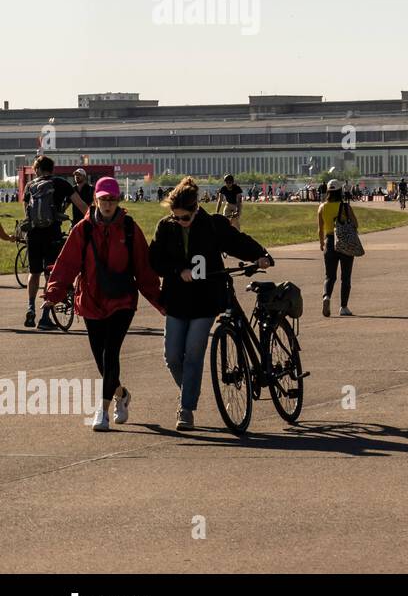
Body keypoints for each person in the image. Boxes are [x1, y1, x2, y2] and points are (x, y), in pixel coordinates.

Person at [149, 176, 271, 430]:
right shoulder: (165, 227)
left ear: (196, 210)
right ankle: (189, 392)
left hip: (205, 299)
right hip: (176, 299)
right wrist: (177, 270)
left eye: (184, 217)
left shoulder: (213, 225)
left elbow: (237, 241)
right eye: (176, 217)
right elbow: (155, 261)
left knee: (193, 353)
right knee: (172, 357)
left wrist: (260, 254)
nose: (179, 221)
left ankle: (186, 409)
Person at [44, 177, 163, 431]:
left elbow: (143, 270)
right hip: (91, 301)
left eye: (112, 199)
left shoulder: (130, 229)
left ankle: (103, 409)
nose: (108, 204)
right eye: (103, 199)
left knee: (111, 353)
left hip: (122, 300)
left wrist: (161, 302)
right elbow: (67, 264)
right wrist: (53, 294)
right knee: (101, 359)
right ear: (95, 200)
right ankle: (121, 393)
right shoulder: (83, 229)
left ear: (118, 200)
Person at [21, 156, 88, 329]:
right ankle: (45, 316)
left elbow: (27, 214)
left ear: (37, 169)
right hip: (52, 235)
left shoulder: (30, 186)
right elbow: (81, 205)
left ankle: (30, 308)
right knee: (51, 274)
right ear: (52, 168)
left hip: (34, 236)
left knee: (34, 272)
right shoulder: (60, 183)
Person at [318, 179, 358, 317]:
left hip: (329, 241)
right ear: (340, 191)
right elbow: (355, 223)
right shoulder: (345, 207)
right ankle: (343, 307)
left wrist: (321, 244)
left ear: (328, 191)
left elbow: (320, 229)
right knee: (345, 277)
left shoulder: (322, 207)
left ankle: (326, 297)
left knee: (330, 276)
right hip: (344, 241)